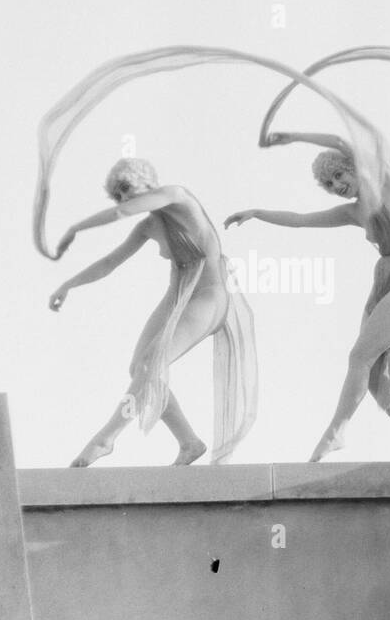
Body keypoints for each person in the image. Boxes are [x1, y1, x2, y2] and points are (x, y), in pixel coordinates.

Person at [225, 128, 390, 461]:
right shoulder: (353, 212)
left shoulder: (384, 183)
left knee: (358, 358)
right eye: (330, 184)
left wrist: (293, 137)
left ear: (353, 166)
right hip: (382, 279)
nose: (337, 186)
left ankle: (336, 432)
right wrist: (256, 213)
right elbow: (300, 220)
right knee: (375, 378)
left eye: (339, 175)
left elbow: (340, 141)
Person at [50, 157, 256, 467]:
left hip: (209, 296)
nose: (126, 200)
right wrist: (68, 284)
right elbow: (109, 263)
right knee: (140, 369)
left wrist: (76, 228)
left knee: (150, 365)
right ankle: (189, 442)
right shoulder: (147, 226)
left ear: (147, 183)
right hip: (177, 296)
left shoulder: (178, 196)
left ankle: (105, 439)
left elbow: (122, 212)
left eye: (127, 190)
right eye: (118, 195)